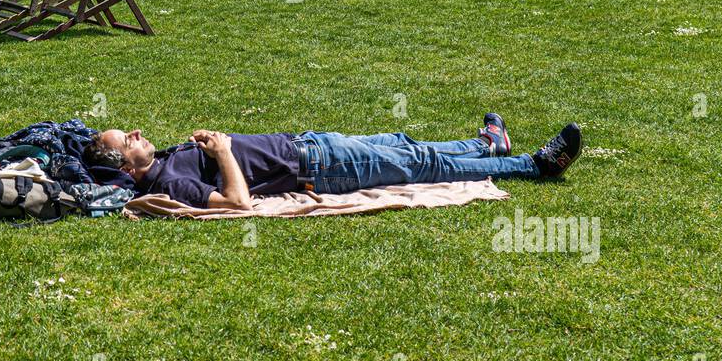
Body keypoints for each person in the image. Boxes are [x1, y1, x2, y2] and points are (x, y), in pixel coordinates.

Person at [81, 116, 583, 210]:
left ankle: (483, 147)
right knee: (422, 165)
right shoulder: (170, 184)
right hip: (319, 169)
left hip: (310, 144)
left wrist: (208, 143)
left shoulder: (166, 160)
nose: (137, 133)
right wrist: (225, 152)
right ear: (126, 167)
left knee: (405, 144)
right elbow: (235, 201)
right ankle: (533, 166)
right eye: (128, 139)